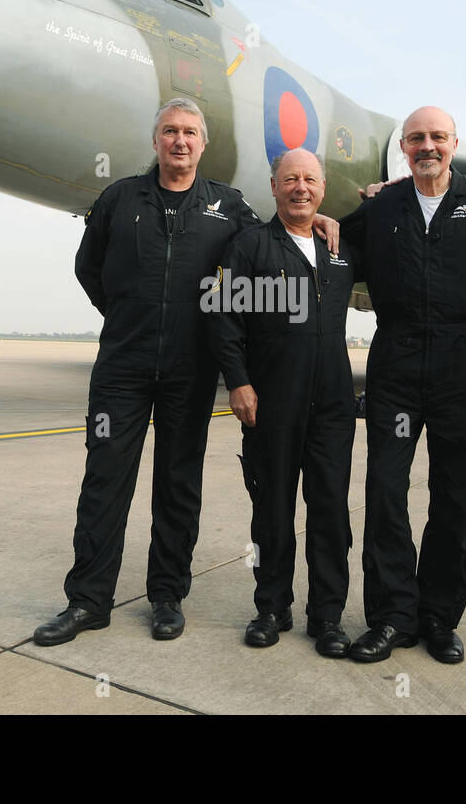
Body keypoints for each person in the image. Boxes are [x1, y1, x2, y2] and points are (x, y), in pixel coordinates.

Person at [33, 98, 338, 646]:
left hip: (190, 370)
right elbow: (89, 269)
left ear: (203, 144)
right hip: (122, 368)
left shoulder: (228, 206)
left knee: (178, 483)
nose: (180, 141)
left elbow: (274, 238)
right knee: (104, 480)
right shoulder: (118, 199)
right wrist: (129, 317)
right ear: (156, 141)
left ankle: (167, 594)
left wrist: (315, 216)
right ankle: (88, 600)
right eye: (170, 131)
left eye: (190, 133)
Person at [339, 106, 466, 664]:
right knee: (385, 494)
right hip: (396, 362)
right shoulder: (383, 207)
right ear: (403, 147)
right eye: (416, 138)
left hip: (465, 363)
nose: (427, 146)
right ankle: (392, 618)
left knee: (453, 498)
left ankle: (440, 617)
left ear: (454, 143)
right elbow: (328, 243)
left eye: (437, 137)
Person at [207, 149, 359, 658]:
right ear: (272, 186)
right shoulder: (248, 246)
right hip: (272, 399)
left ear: (322, 188)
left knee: (331, 510)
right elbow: (224, 316)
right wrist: (238, 381)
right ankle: (271, 608)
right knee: (272, 507)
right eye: (290, 179)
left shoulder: (339, 248)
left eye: (310, 180)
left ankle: (328, 616)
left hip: (335, 401)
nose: (301, 188)